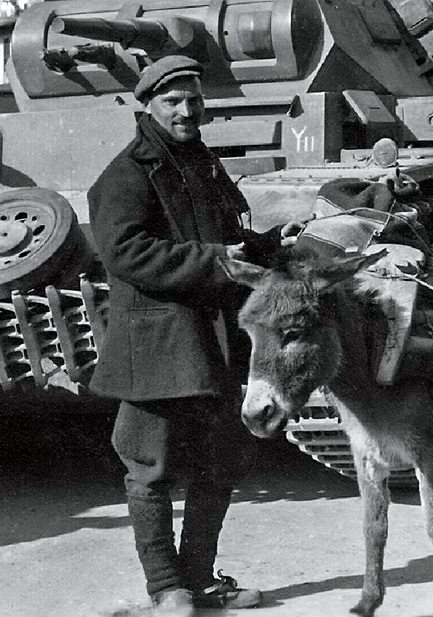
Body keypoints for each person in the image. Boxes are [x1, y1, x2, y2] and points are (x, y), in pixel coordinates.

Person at [87, 55, 283, 615]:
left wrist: (266, 244)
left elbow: (221, 239)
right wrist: (218, 259)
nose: (186, 110)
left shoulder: (198, 161)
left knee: (219, 460)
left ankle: (196, 581)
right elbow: (124, 252)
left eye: (193, 99)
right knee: (149, 465)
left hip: (214, 337)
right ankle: (166, 589)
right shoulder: (129, 171)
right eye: (172, 100)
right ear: (146, 105)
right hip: (159, 341)